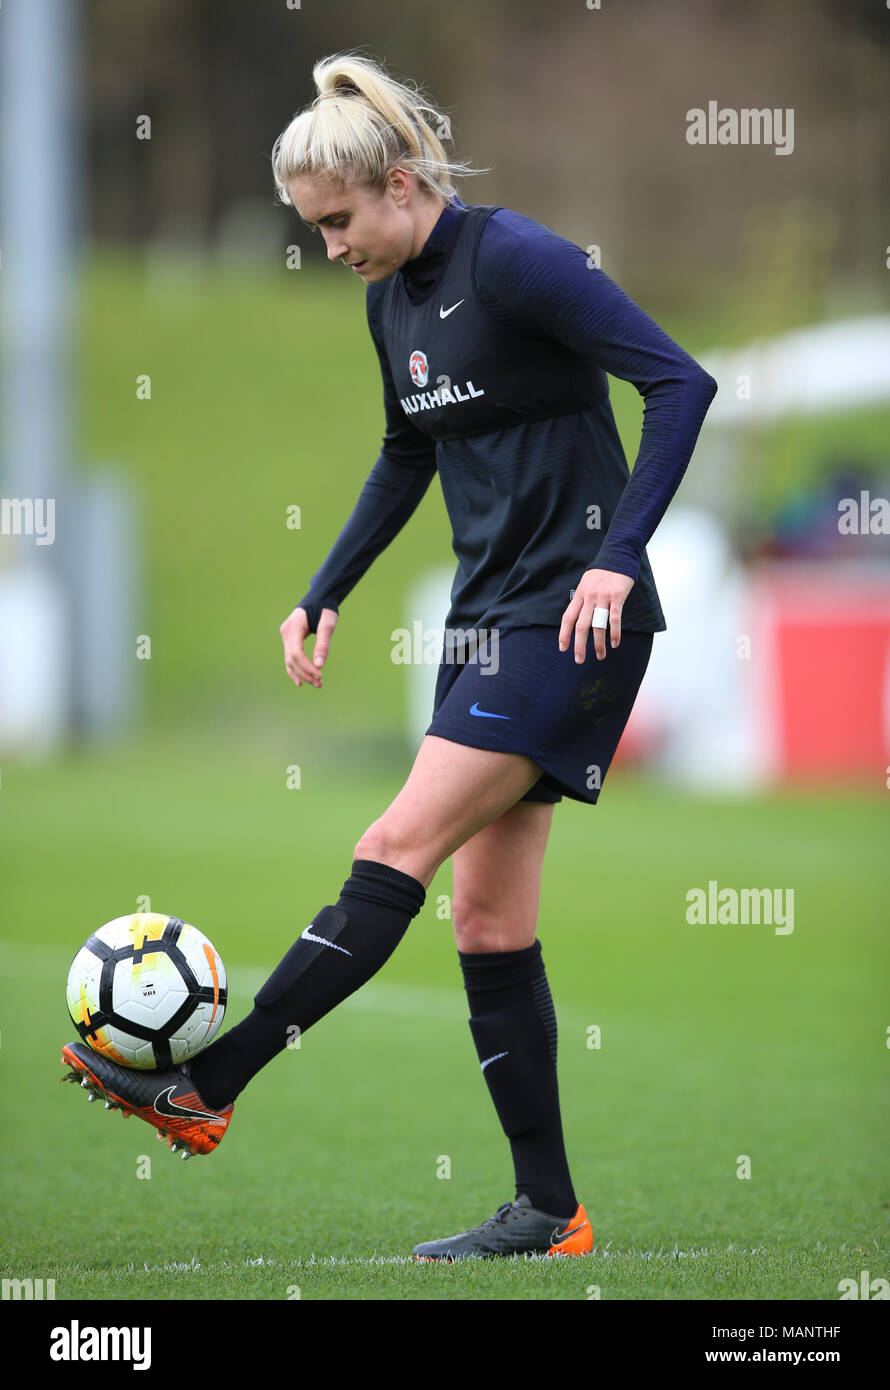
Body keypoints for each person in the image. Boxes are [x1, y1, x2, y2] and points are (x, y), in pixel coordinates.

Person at [61, 50, 717, 1262]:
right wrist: (327, 589)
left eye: (339, 221)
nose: (331, 248)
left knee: (389, 848)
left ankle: (207, 1084)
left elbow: (679, 382)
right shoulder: (389, 299)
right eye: (313, 231)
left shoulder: (516, 258)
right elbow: (405, 453)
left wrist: (616, 556)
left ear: (403, 182)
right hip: (483, 621)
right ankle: (547, 1211)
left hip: (569, 620)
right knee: (484, 921)